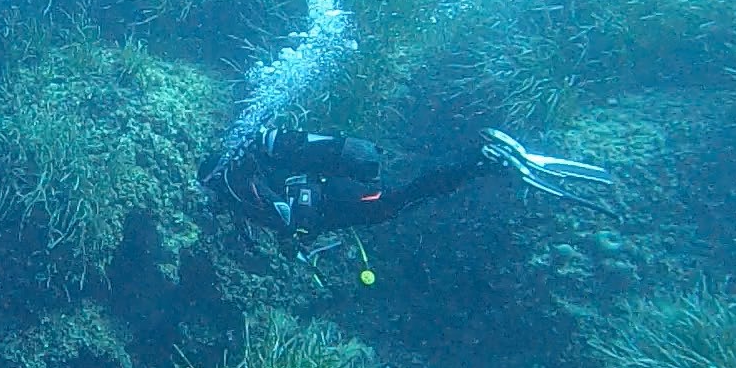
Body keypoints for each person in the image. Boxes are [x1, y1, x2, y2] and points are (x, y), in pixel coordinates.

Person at [199, 126, 614, 238]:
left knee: (402, 198)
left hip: (336, 199)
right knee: (408, 189)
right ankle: (477, 160)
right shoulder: (246, 169)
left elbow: (287, 213)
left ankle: (483, 162)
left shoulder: (235, 185)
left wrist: (295, 230)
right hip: (336, 189)